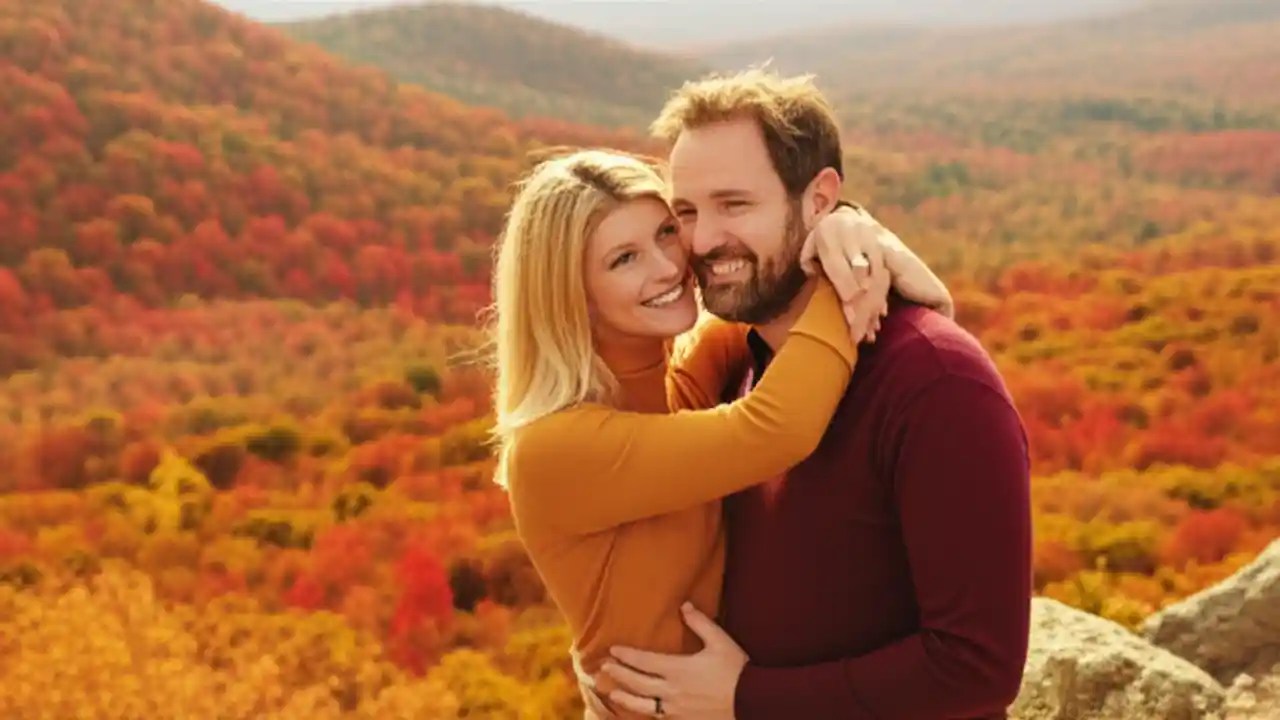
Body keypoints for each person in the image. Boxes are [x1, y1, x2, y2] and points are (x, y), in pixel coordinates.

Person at [597, 70, 1033, 719]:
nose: (706, 240)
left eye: (735, 204)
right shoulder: (732, 365)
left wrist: (747, 699)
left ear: (819, 198)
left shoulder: (937, 383)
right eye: (686, 212)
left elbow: (979, 667)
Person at [488, 148, 954, 719]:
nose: (667, 266)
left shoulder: (676, 385)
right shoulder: (554, 448)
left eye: (666, 232)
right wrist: (858, 272)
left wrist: (845, 224)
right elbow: (777, 427)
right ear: (569, 295)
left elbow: (772, 292)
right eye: (624, 258)